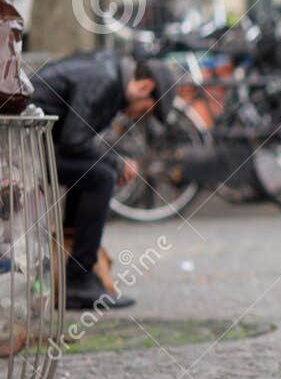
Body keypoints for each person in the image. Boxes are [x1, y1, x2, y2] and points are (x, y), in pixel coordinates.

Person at [29, 52, 177, 309]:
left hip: (33, 144)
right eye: (146, 111)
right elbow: (74, 141)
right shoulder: (103, 80)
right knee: (101, 178)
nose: (138, 116)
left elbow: (74, 141)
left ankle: (73, 257)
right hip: (21, 149)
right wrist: (117, 163)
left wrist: (112, 161)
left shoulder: (108, 72)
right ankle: (77, 280)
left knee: (95, 173)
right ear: (145, 87)